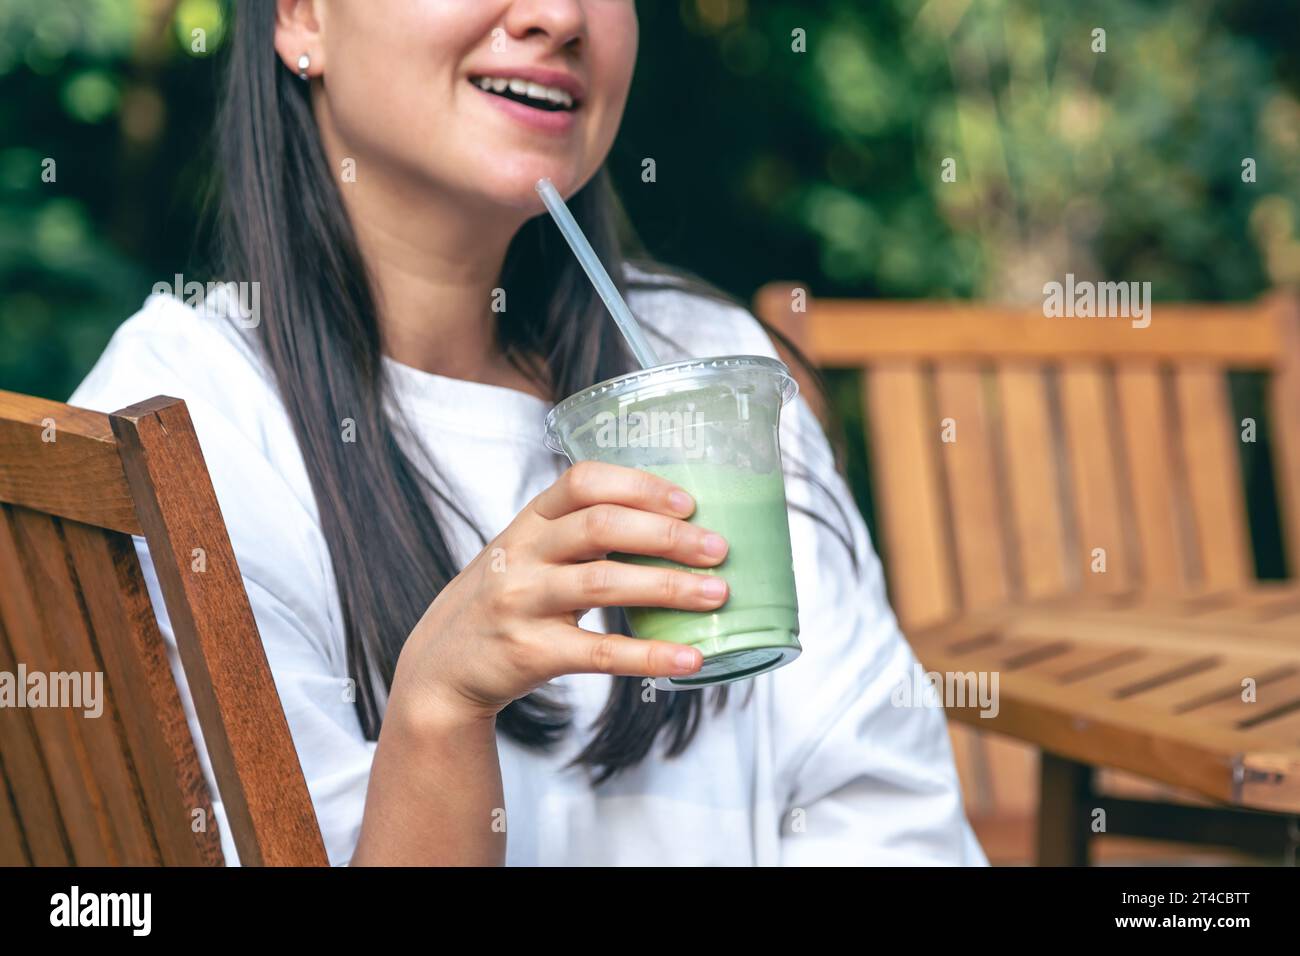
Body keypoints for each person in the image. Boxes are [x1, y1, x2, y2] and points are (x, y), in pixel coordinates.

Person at [70, 0, 987, 866]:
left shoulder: (707, 364)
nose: (560, 17)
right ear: (303, 14)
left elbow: (884, 812)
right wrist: (435, 714)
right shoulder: (183, 426)